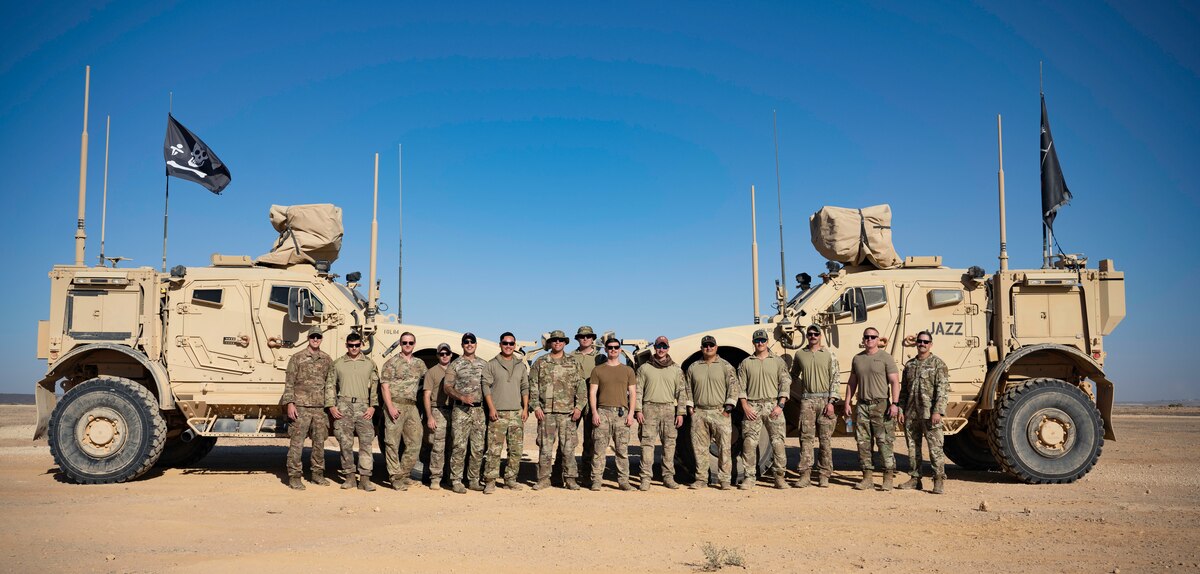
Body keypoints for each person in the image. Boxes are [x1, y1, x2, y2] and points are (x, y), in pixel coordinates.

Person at [843, 327, 901, 491]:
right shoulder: (857, 359)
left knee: (884, 442)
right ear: (863, 339)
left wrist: (895, 404)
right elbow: (852, 382)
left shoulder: (885, 358)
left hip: (881, 405)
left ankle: (887, 478)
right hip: (862, 405)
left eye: (873, 337)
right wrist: (847, 402)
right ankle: (867, 477)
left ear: (878, 339)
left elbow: (895, 382)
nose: (869, 339)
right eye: (867, 337)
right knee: (863, 443)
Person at [528, 330, 586, 490]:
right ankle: (543, 479)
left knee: (568, 449)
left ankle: (570, 479)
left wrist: (579, 407)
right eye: (554, 340)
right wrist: (536, 406)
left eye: (561, 340)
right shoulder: (540, 362)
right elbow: (532, 385)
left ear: (565, 342)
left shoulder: (573, 362)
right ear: (550, 343)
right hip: (546, 413)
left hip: (568, 413)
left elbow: (581, 387)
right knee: (545, 449)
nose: (557, 342)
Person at [736, 328, 791, 490]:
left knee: (778, 442)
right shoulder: (746, 363)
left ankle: (779, 477)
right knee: (749, 443)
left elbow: (785, 383)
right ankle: (749, 477)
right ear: (753, 343)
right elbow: (741, 387)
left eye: (763, 340)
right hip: (752, 406)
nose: (760, 343)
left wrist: (780, 405)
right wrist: (745, 406)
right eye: (757, 341)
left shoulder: (778, 361)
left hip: (773, 405)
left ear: (767, 342)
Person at [896, 331, 950, 494]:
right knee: (913, 448)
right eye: (919, 341)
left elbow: (943, 390)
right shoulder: (910, 365)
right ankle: (915, 479)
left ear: (930, 344)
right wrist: (901, 409)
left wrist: (938, 412)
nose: (922, 344)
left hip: (930, 414)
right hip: (912, 414)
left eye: (926, 342)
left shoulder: (938, 364)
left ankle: (938, 480)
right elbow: (904, 390)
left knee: (935, 449)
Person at [325, 332, 379, 491]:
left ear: (361, 345)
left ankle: (365, 479)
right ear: (346, 345)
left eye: (357, 345)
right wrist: (331, 406)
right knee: (345, 443)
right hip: (344, 406)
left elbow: (375, 386)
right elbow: (330, 385)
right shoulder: (338, 364)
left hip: (363, 407)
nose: (354, 348)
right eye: (351, 345)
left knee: (366, 444)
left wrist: (373, 406)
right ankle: (349, 477)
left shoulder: (370, 363)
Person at [685, 335, 740, 490]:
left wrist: (728, 408)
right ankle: (701, 479)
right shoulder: (693, 367)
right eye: (705, 345)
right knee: (699, 448)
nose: (708, 348)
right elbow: (687, 388)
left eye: (711, 345)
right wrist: (690, 408)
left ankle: (724, 480)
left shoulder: (725, 366)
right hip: (699, 413)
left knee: (724, 448)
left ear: (716, 347)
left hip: (719, 411)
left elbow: (733, 387)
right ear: (701, 348)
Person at [282, 327, 334, 490]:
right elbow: (289, 382)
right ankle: (294, 476)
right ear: (308, 337)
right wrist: (290, 403)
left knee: (319, 444)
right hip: (300, 408)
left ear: (321, 339)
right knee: (297, 444)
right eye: (313, 336)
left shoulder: (326, 359)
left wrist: (330, 405)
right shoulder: (297, 357)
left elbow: (330, 384)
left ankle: (317, 474)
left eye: (318, 336)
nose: (315, 339)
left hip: (319, 408)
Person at [635, 336, 687, 490]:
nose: (661, 349)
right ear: (655, 347)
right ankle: (645, 478)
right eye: (659, 346)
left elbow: (682, 393)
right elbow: (638, 391)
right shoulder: (644, 368)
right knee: (647, 445)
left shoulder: (676, 369)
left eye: (664, 346)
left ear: (668, 348)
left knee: (669, 445)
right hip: (649, 408)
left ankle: (668, 477)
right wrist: (638, 410)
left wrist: (680, 413)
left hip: (669, 409)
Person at [791, 324, 840, 488]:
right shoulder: (799, 354)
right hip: (808, 400)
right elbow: (793, 375)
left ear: (820, 336)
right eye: (810, 334)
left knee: (825, 440)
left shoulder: (829, 355)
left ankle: (824, 475)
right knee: (806, 439)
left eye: (815, 334)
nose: (812, 336)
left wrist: (832, 402)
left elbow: (835, 378)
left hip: (825, 400)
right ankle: (805, 475)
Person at [482, 332, 529, 493]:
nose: (508, 346)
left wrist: (525, 408)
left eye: (511, 343)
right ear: (500, 344)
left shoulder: (520, 365)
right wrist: (491, 408)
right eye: (505, 343)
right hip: (498, 413)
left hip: (516, 413)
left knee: (515, 450)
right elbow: (485, 387)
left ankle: (510, 479)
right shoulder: (492, 364)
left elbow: (525, 387)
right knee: (494, 450)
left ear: (515, 346)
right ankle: (490, 480)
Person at [588, 335, 637, 491]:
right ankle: (596, 480)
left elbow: (633, 393)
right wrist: (594, 413)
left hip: (621, 414)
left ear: (620, 350)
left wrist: (631, 414)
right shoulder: (598, 370)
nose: (613, 350)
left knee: (622, 451)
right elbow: (592, 393)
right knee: (599, 450)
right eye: (610, 348)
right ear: (606, 349)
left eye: (616, 347)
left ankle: (623, 481)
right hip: (603, 412)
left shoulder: (628, 371)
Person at [380, 331, 427, 491]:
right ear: (400, 344)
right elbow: (384, 387)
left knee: (415, 440)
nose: (408, 345)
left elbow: (429, 380)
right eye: (405, 342)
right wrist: (390, 407)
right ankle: (395, 477)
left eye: (410, 343)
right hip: (395, 404)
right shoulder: (391, 363)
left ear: (414, 344)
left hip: (411, 406)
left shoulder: (419, 364)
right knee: (392, 442)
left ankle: (405, 474)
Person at [443, 332, 488, 494]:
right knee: (459, 446)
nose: (469, 344)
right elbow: (447, 387)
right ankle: (456, 480)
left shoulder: (484, 364)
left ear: (476, 344)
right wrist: (461, 396)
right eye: (466, 342)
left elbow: (490, 386)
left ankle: (474, 479)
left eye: (472, 342)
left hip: (479, 411)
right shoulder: (455, 364)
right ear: (462, 345)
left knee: (478, 447)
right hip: (461, 410)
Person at [571, 325, 603, 484]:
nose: (585, 339)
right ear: (577, 338)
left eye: (589, 336)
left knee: (591, 439)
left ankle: (587, 473)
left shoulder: (600, 358)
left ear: (592, 339)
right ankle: (568, 472)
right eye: (582, 336)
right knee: (569, 438)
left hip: (593, 403)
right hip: (572, 403)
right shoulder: (570, 357)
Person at [423, 342, 454, 490]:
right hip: (438, 410)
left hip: (454, 411)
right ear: (437, 355)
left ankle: (450, 477)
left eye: (447, 353)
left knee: (453, 446)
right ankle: (435, 477)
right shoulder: (432, 372)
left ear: (451, 354)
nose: (444, 356)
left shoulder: (455, 370)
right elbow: (426, 395)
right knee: (438, 447)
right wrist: (429, 416)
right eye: (441, 354)